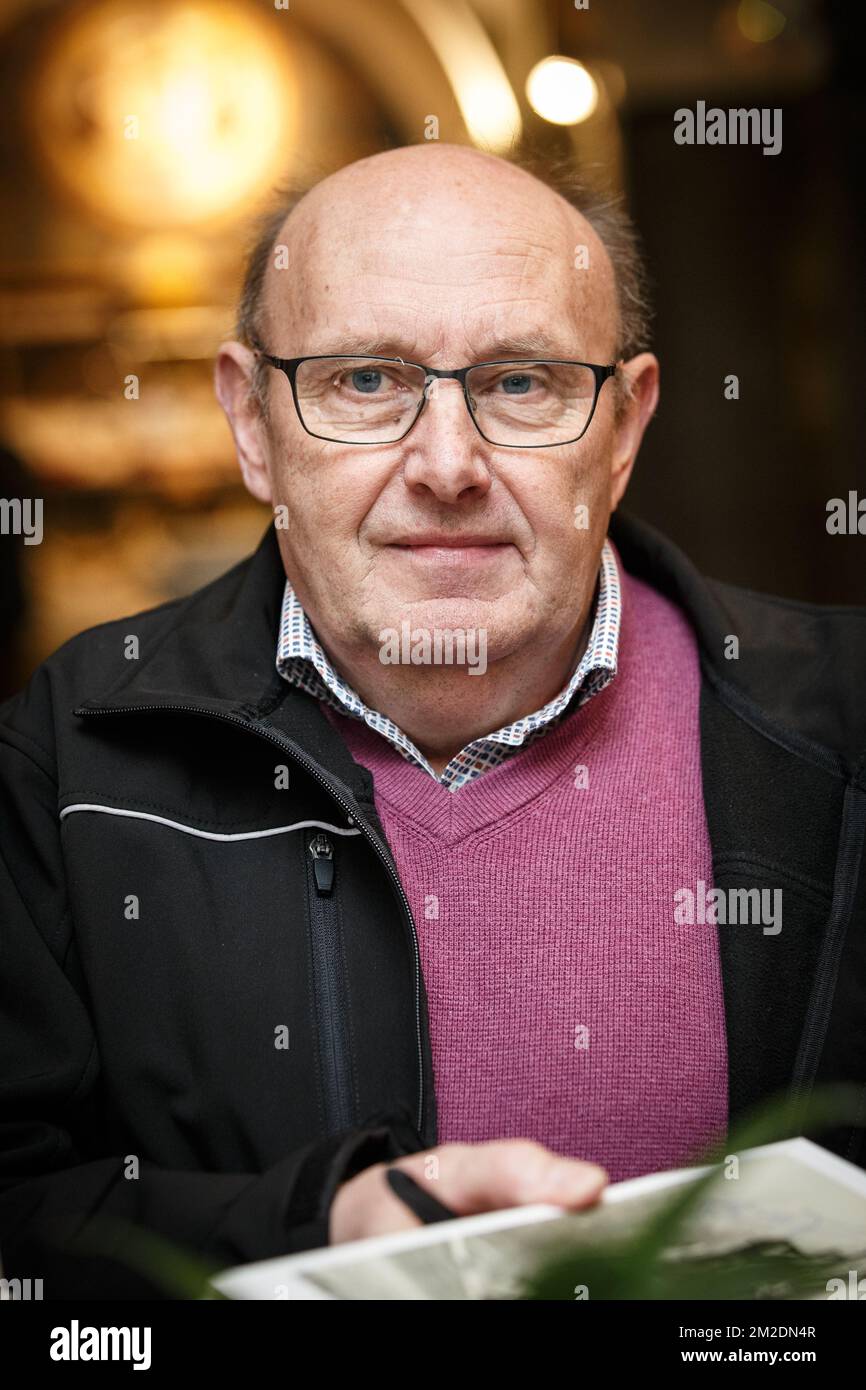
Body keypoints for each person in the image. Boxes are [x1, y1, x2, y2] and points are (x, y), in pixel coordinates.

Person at [1, 145, 863, 1299]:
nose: (447, 464)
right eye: (363, 381)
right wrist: (314, 1227)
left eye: (519, 382)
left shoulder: (843, 721)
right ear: (251, 423)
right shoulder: (68, 752)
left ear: (621, 430)